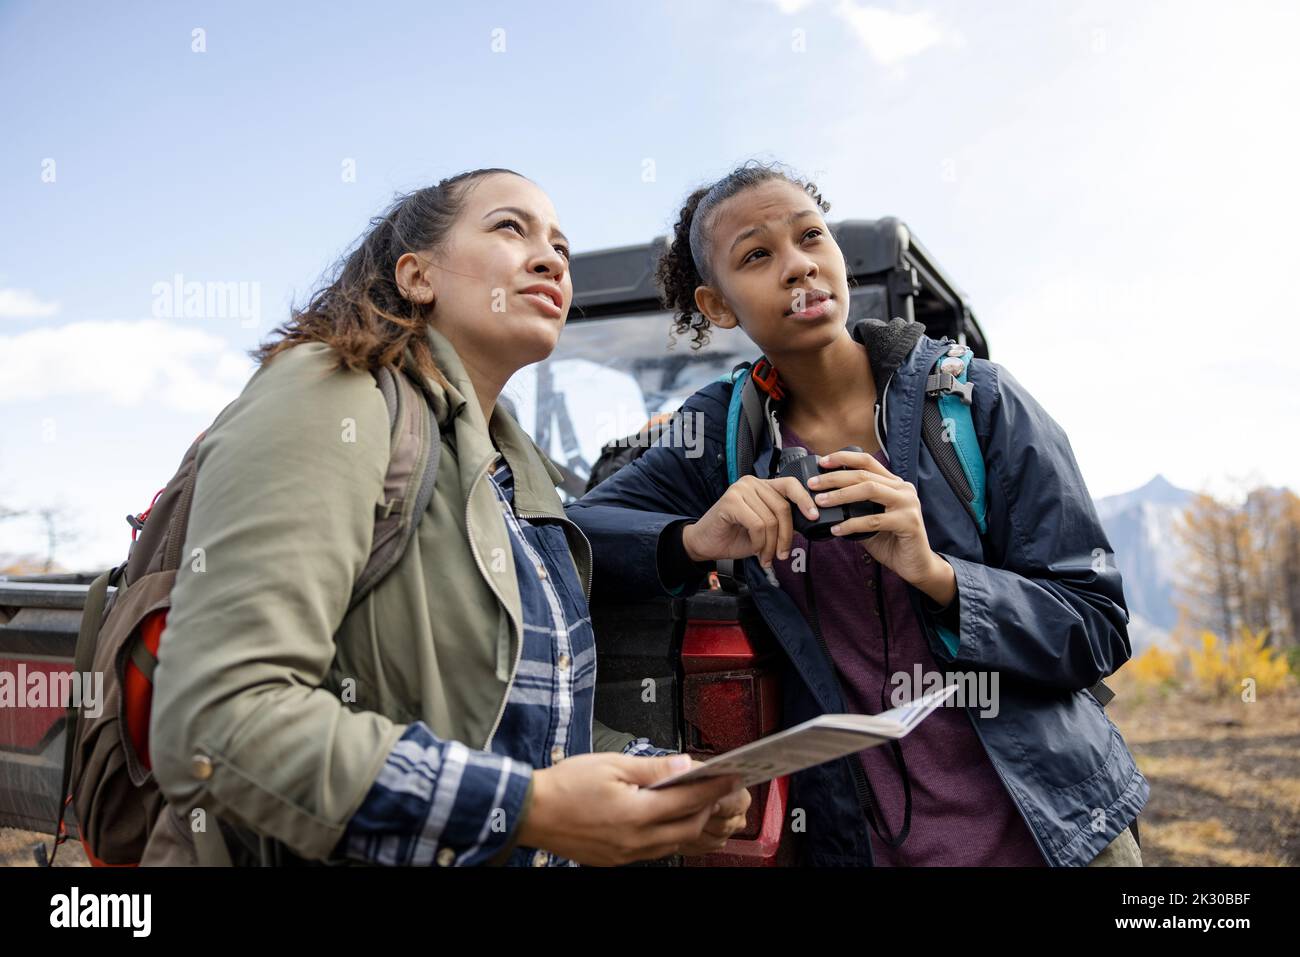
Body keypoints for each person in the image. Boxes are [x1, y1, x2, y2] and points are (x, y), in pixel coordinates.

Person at [146, 168, 750, 867]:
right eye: (509, 227)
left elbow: (531, 736)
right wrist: (528, 808)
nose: (552, 257)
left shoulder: (525, 479)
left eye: (559, 243)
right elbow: (216, 721)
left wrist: (666, 780)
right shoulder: (332, 395)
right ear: (416, 275)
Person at [566, 161, 1147, 867]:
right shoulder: (721, 434)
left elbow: (1095, 624)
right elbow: (573, 535)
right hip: (866, 847)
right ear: (717, 306)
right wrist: (691, 537)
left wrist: (939, 575)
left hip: (1055, 837)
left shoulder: (979, 403)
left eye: (811, 236)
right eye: (757, 255)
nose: (798, 267)